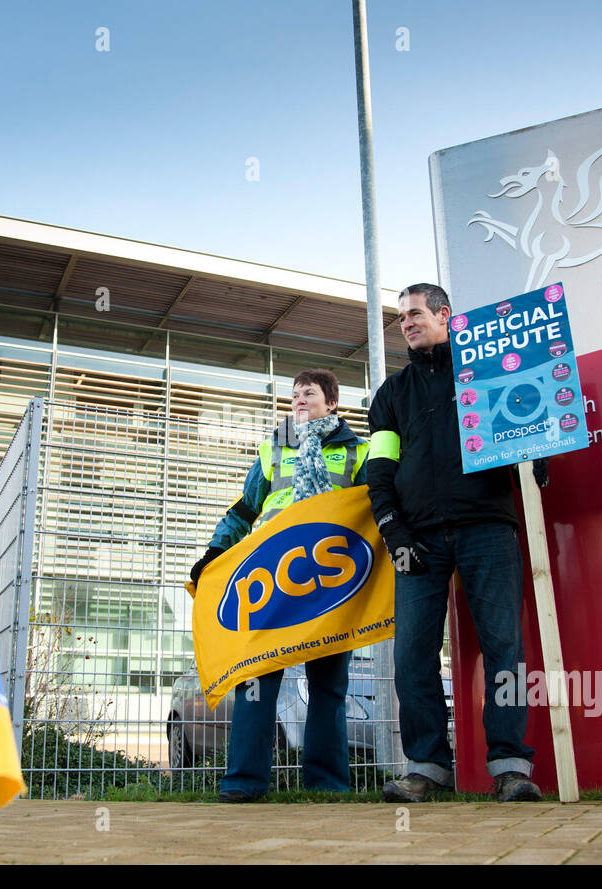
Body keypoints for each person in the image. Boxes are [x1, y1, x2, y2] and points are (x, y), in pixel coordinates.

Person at [367, 283, 542, 803]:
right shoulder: (391, 395)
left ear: (446, 315)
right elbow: (380, 472)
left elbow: (530, 428)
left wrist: (541, 456)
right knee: (413, 654)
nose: (407, 323)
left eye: (415, 313)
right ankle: (427, 769)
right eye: (401, 318)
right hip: (417, 538)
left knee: (503, 648)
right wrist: (394, 531)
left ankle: (510, 767)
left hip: (487, 526)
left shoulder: (489, 374)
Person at [190, 368, 369, 802]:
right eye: (293, 395)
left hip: (330, 578)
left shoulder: (359, 451)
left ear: (332, 403)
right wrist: (214, 554)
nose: (299, 401)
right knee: (256, 677)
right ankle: (243, 784)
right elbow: (244, 509)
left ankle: (327, 786)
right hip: (271, 577)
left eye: (309, 393)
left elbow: (373, 507)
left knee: (328, 684)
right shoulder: (273, 447)